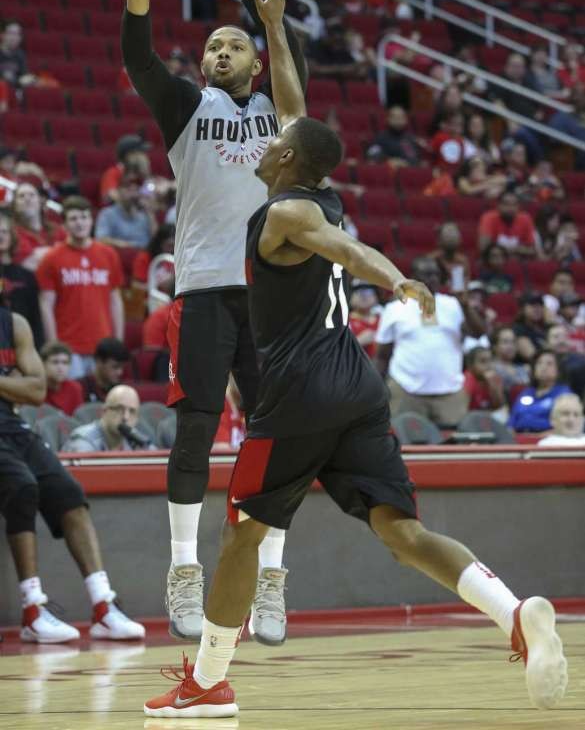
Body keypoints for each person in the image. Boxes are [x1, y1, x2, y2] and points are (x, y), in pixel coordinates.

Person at [143, 53, 567, 715]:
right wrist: (275, 23)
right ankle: (514, 614)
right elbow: (294, 113)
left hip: (298, 397)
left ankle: (207, 682)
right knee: (401, 533)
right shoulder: (318, 189)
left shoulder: (286, 213)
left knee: (240, 535)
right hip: (356, 387)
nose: (267, 139)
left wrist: (395, 277)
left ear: (284, 160)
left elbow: (342, 247)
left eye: (275, 141)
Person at [122, 0, 307, 643]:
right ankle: (182, 571)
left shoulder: (275, 114)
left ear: (254, 64)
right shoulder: (185, 108)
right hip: (201, 288)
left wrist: (264, 13)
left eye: (233, 45)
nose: (220, 52)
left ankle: (270, 580)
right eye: (211, 46)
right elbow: (137, 56)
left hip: (270, 297)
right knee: (195, 431)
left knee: (278, 440)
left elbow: (297, 89)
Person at [0, 305, 144, 642]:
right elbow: (26, 384)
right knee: (22, 486)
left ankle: (103, 606)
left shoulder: (14, 322)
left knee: (69, 494)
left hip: (13, 425)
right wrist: (13, 382)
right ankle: (32, 610)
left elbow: (37, 390)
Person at [375, 257, 485, 428]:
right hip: (406, 390)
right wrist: (378, 388)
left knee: (452, 447)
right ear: (411, 278)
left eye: (435, 274)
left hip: (450, 392)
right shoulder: (395, 308)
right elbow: (382, 355)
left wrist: (465, 305)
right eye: (425, 274)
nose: (431, 279)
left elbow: (478, 333)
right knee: (405, 441)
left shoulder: (454, 305)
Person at [36, 196, 124, 378]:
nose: (80, 223)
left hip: (103, 346)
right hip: (69, 348)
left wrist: (118, 341)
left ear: (91, 221)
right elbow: (46, 305)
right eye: (74, 218)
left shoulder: (108, 254)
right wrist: (55, 347)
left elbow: (116, 300)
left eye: (84, 217)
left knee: (100, 403)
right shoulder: (51, 258)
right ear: (64, 225)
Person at [62, 385, 154, 451]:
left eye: (132, 411)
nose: (126, 417)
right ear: (104, 411)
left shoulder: (136, 440)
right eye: (119, 409)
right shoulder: (84, 440)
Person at [0, 210, 43, 347]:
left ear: (12, 237)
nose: (0, 236)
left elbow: (35, 316)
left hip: (23, 342)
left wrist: (38, 345)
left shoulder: (27, 275)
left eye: (4, 232)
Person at [507, 350, 571, 433]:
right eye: (539, 363)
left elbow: (567, 426)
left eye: (549, 364)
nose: (543, 367)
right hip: (519, 440)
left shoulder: (564, 393)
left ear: (558, 370)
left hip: (548, 441)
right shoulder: (526, 393)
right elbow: (511, 422)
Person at [12, 181, 65, 271]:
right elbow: (25, 266)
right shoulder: (12, 234)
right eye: (21, 196)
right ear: (15, 205)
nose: (27, 199)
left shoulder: (58, 230)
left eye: (32, 195)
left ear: (41, 202)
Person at [95, 171, 155, 250]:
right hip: (119, 255)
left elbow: (155, 241)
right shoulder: (107, 214)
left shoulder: (145, 214)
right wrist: (128, 246)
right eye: (128, 189)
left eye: (136, 189)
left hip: (144, 256)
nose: (132, 193)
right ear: (118, 191)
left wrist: (149, 213)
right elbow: (101, 239)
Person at [478, 192, 537, 258]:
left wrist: (512, 250)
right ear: (498, 205)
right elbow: (484, 248)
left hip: (518, 261)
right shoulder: (488, 218)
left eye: (514, 205)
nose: (510, 208)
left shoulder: (526, 218)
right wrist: (517, 249)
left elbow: (533, 250)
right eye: (506, 204)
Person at [99, 134, 152, 206]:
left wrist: (146, 178)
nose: (145, 156)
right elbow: (110, 197)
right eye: (141, 153)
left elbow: (150, 194)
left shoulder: (141, 175)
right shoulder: (113, 172)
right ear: (130, 155)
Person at [77, 337, 130, 404]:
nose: (120, 372)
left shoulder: (121, 390)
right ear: (99, 362)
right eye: (115, 367)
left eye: (122, 367)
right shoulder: (80, 387)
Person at [41, 340, 83, 415]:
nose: (60, 368)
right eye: (55, 362)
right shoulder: (36, 388)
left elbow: (79, 419)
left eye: (65, 363)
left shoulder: (75, 388)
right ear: (43, 364)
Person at [490, 326, 530, 404]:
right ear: (495, 346)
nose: (510, 346)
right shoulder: (492, 369)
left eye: (513, 342)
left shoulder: (524, 369)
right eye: (505, 342)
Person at [427, 222, 470, 292]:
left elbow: (463, 290)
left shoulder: (462, 261)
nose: (451, 237)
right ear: (439, 240)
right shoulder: (431, 260)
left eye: (454, 233)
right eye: (448, 234)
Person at [463, 346, 505, 412]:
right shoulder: (467, 378)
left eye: (490, 360)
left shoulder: (495, 378)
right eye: (483, 361)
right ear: (470, 366)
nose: (488, 365)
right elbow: (463, 409)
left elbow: (499, 408)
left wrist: (493, 387)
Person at [348, 282, 380, 359]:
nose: (364, 296)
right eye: (358, 292)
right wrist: (359, 341)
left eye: (369, 291)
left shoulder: (384, 317)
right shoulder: (344, 321)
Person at [0, 21, 36, 90]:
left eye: (18, 34)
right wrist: (18, 82)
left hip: (16, 91)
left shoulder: (20, 54)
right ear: (2, 35)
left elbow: (24, 75)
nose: (15, 37)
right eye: (11, 33)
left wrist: (32, 79)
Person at [513, 294, 548, 362]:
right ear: (522, 308)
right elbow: (531, 356)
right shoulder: (518, 329)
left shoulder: (543, 329)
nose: (538, 308)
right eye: (533, 305)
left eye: (540, 305)